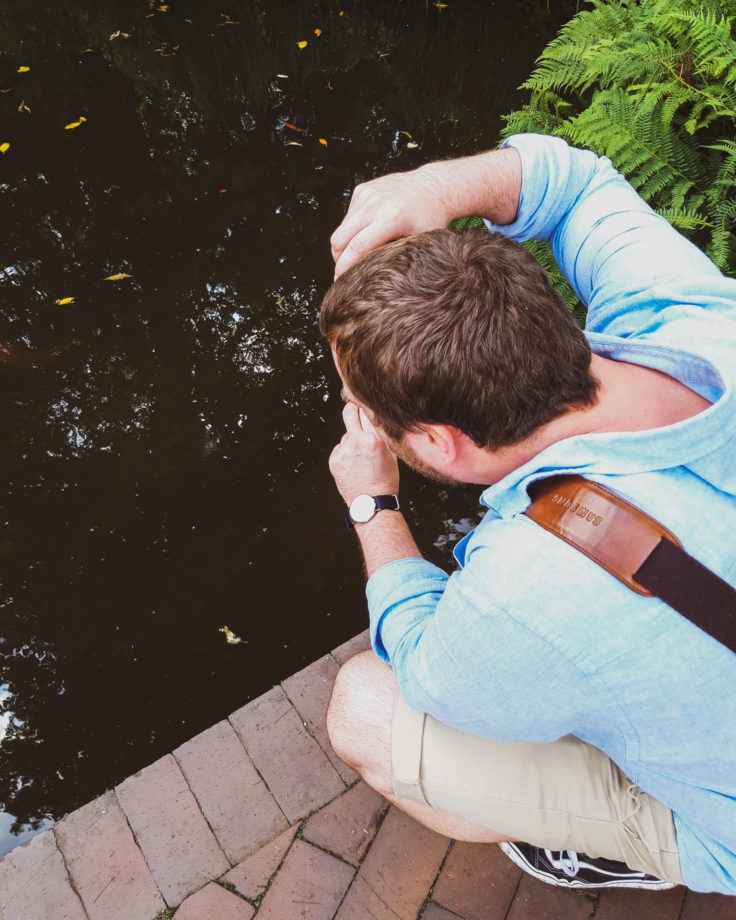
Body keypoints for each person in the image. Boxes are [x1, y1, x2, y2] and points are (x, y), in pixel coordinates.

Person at [320, 134, 736, 896]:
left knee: (364, 710)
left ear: (441, 443)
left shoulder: (526, 588)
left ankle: (622, 845)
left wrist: (372, 503)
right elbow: (576, 180)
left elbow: (426, 670)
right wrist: (433, 188)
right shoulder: (695, 324)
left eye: (365, 407)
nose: (358, 414)